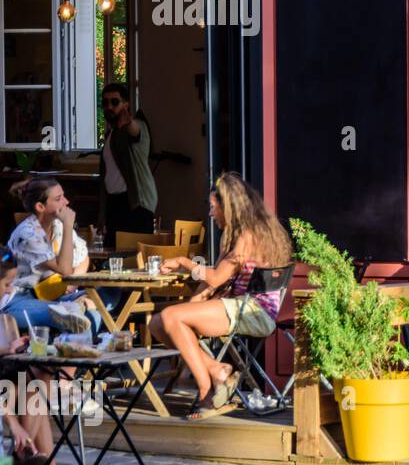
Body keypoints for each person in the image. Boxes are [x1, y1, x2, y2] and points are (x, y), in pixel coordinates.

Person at [150, 172, 292, 421]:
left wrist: (184, 262)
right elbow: (215, 280)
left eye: (214, 207)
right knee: (158, 323)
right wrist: (195, 302)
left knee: (171, 316)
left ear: (230, 208)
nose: (211, 213)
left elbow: (216, 278)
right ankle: (217, 370)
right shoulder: (240, 234)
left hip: (253, 312)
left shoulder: (248, 236)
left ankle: (206, 390)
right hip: (239, 306)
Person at [0, 247, 94, 465]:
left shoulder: (4, 318)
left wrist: (19, 347)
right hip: (8, 390)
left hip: (15, 384)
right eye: (7, 284)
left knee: (38, 380)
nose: (10, 290)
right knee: (33, 389)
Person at [3, 177, 103, 335]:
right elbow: (64, 269)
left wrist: (73, 283)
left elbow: (84, 256)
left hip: (56, 295)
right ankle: (74, 323)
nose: (66, 202)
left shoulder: (57, 225)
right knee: (84, 317)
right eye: (58, 199)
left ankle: (80, 307)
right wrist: (69, 225)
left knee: (110, 293)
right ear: (40, 206)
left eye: (63, 196)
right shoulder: (28, 234)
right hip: (21, 299)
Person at [98, 83, 157, 246]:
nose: (109, 107)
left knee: (134, 262)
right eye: (105, 103)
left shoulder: (136, 125)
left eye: (115, 102)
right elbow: (105, 175)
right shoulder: (111, 134)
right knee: (112, 258)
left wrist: (129, 122)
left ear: (126, 104)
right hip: (114, 204)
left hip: (135, 204)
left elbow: (135, 131)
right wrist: (102, 214)